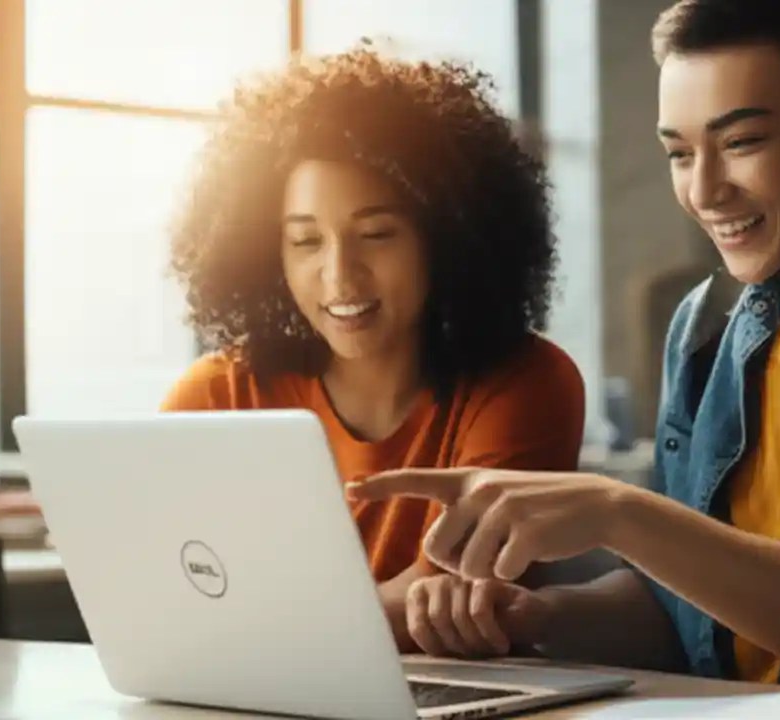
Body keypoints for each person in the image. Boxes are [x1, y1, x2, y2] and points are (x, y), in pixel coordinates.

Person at [349, 0, 780, 685]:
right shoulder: (706, 324)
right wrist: (533, 619)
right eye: (679, 154)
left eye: (742, 142)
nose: (705, 189)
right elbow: (688, 620)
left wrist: (618, 512)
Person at [160, 48, 585, 654]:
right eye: (305, 241)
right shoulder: (216, 394)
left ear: (446, 236)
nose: (340, 276)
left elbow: (447, 596)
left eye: (376, 235)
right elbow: (160, 597)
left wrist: (246, 624)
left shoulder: (526, 382)